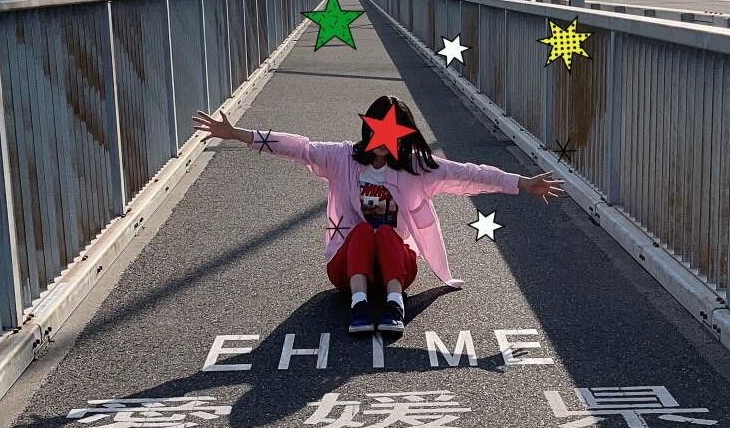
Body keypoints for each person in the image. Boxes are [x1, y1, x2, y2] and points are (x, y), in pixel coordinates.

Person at [192, 93, 564, 337]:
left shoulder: (417, 168)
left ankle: (393, 305)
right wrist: (237, 134)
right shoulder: (341, 158)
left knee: (385, 233)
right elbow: (298, 148)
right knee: (361, 232)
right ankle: (359, 306)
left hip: (397, 268)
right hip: (345, 267)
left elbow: (468, 174)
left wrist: (521, 183)